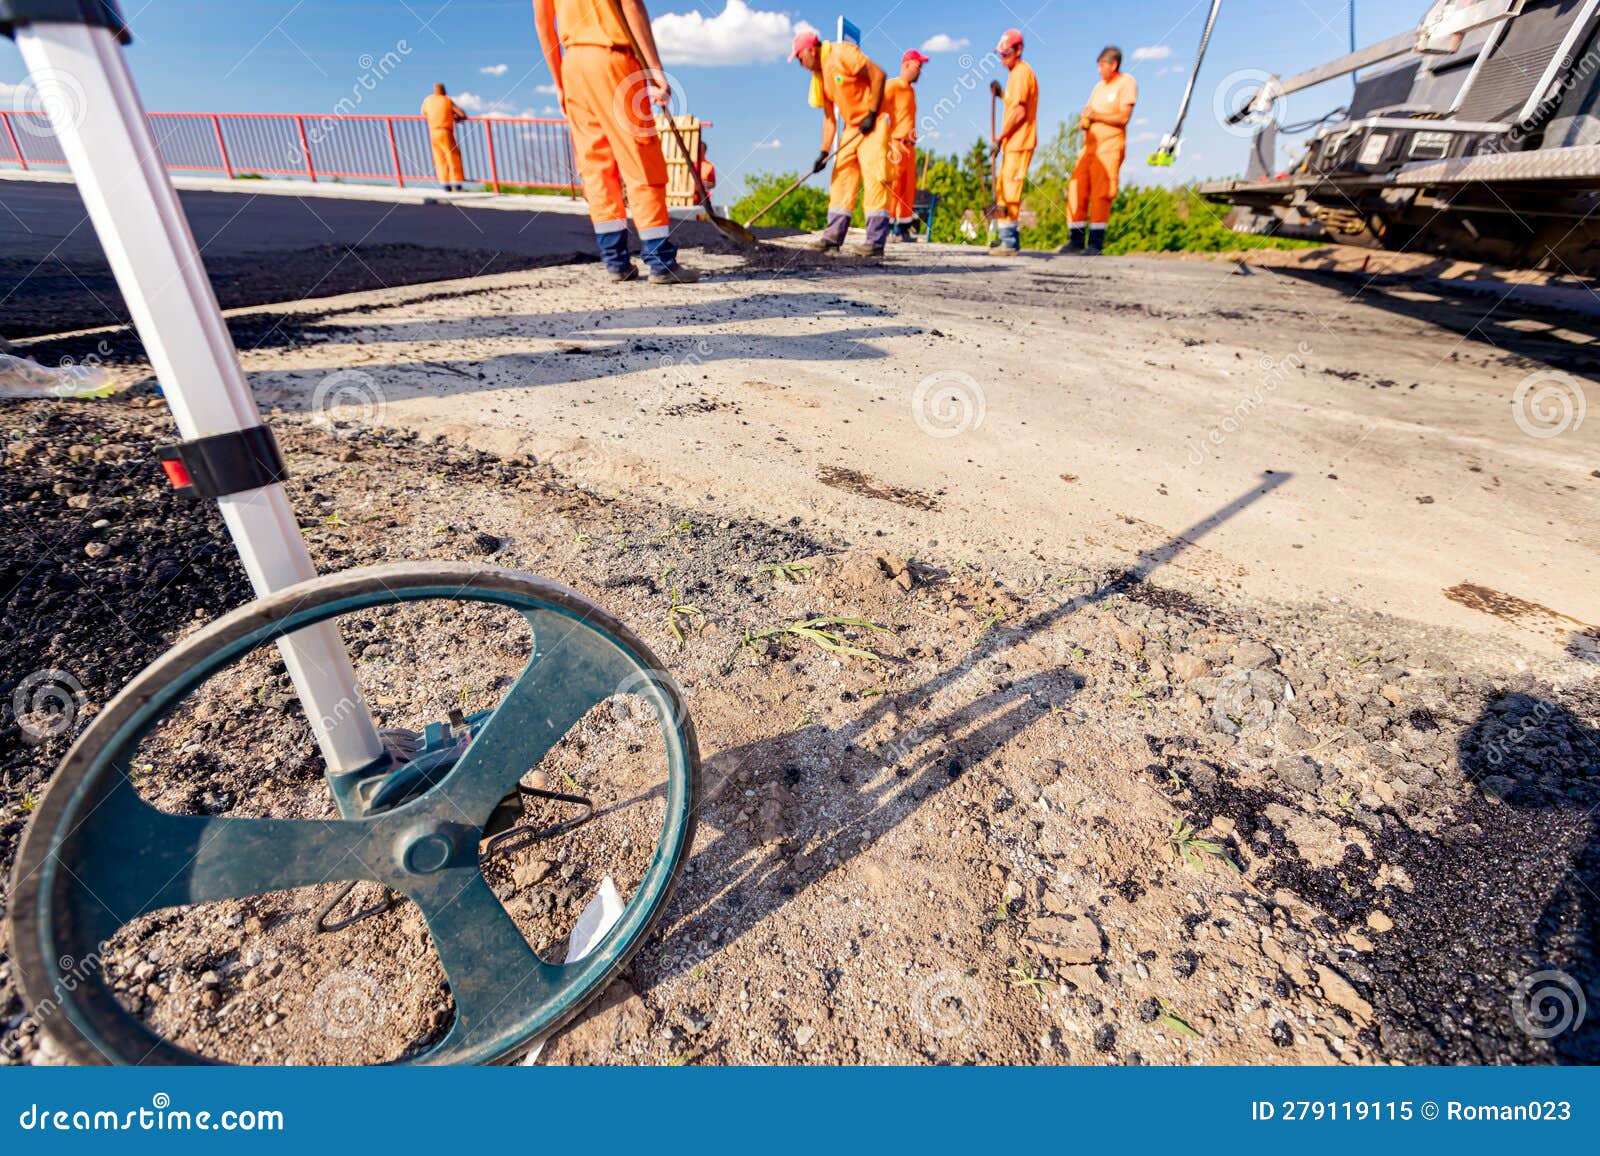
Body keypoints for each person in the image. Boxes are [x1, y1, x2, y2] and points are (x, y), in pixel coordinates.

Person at [533, 0, 698, 284]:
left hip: (573, 66)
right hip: (613, 58)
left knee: (595, 164)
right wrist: (655, 70)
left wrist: (559, 82)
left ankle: (615, 261)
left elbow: (544, 25)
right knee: (640, 157)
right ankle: (660, 261)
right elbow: (632, 7)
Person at [790, 29, 890, 256]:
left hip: (873, 124)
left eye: (799, 57)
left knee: (875, 179)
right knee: (841, 179)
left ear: (810, 50)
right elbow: (829, 119)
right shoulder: (819, 78)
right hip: (851, 128)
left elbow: (878, 74)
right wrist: (823, 153)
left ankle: (875, 243)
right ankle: (832, 238)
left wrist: (872, 114)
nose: (800, 63)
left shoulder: (842, 53)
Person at [1062, 46, 1137, 255]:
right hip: (1089, 147)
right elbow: (1088, 112)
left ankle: (1095, 243)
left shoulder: (1126, 83)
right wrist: (1085, 121)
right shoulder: (1099, 87)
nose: (1099, 70)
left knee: (1101, 193)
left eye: (1102, 65)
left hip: (1109, 147)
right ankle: (1075, 239)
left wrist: (1096, 116)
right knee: (1076, 187)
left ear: (1113, 65)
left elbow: (1123, 117)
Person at [989, 28, 1037, 254]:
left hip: (1020, 142)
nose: (1002, 59)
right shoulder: (1015, 75)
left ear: (1018, 50)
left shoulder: (1020, 73)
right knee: (1003, 188)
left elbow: (1019, 112)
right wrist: (1001, 95)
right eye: (1000, 54)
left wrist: (999, 138)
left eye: (1006, 54)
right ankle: (1005, 237)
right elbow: (1014, 104)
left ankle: (1008, 241)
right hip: (1013, 144)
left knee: (1010, 190)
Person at [884, 48, 928, 241]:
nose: (921, 71)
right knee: (893, 186)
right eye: (919, 66)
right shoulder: (892, 86)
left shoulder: (911, 91)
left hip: (909, 146)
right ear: (907, 65)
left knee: (907, 188)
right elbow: (879, 111)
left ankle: (902, 229)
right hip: (895, 143)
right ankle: (885, 228)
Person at [420, 84, 468, 192]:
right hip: (445, 131)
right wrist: (455, 117)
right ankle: (457, 184)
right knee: (453, 156)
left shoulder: (428, 100)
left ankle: (445, 184)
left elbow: (424, 112)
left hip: (433, 132)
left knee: (439, 158)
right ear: (444, 90)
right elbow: (461, 114)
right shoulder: (446, 100)